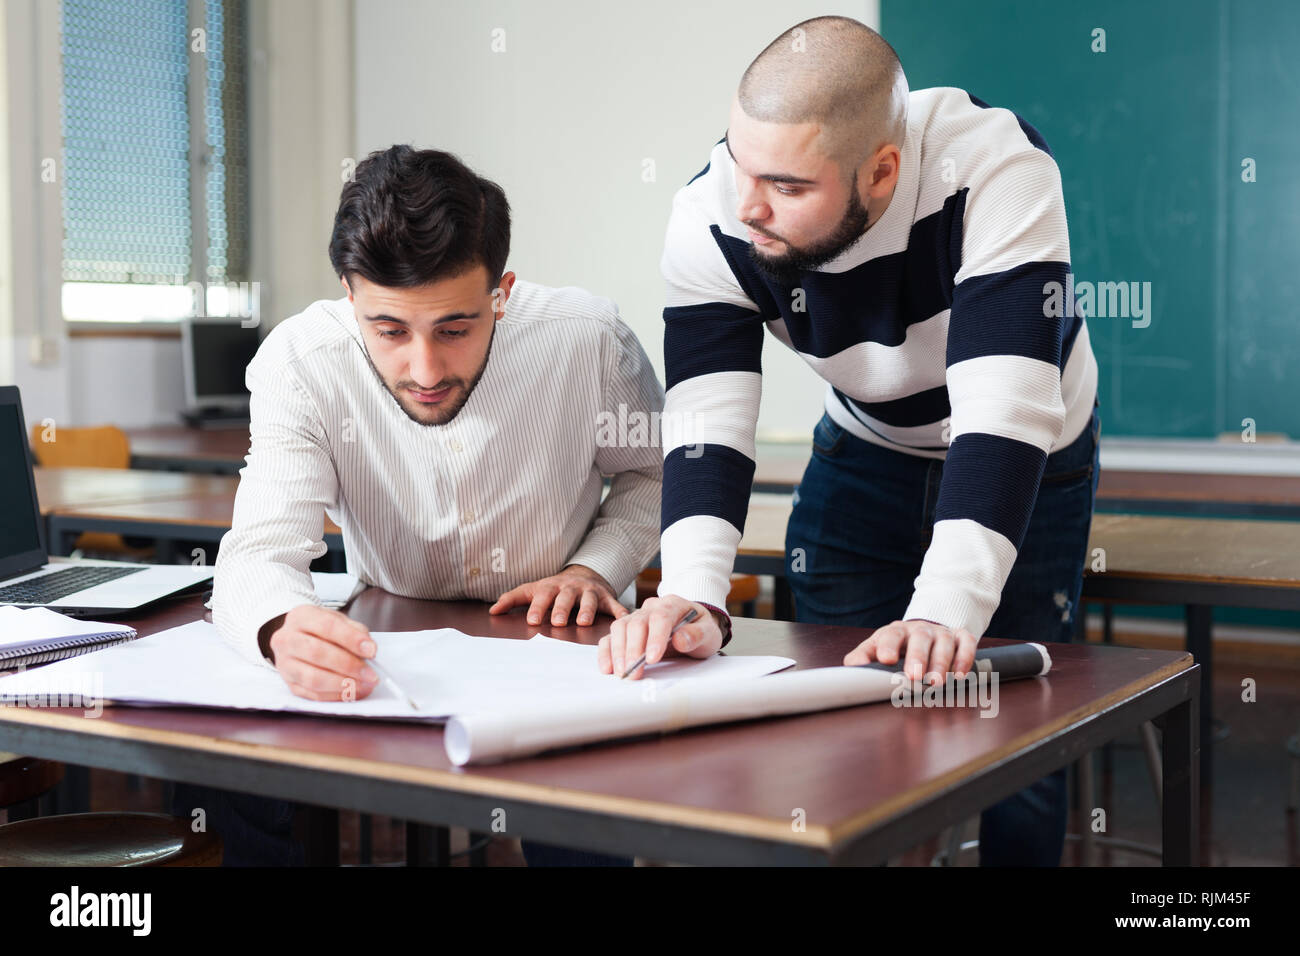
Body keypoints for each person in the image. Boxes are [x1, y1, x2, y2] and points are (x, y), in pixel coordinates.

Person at [601, 16, 1099, 867]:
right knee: (843, 725)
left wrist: (946, 609)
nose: (750, 205)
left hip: (1029, 458)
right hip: (864, 450)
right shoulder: (710, 216)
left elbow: (1003, 413)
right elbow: (707, 425)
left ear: (883, 170)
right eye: (740, 163)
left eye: (788, 186)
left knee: (1019, 737)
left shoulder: (999, 169)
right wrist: (693, 594)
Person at [175, 144, 663, 866]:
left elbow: (652, 478)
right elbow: (260, 549)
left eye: (456, 329)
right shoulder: (300, 363)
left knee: (583, 828)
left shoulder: (587, 341)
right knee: (249, 769)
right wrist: (279, 626)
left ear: (502, 291)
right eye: (390, 331)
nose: (426, 370)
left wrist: (595, 569)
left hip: (560, 647)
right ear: (350, 296)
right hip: (394, 643)